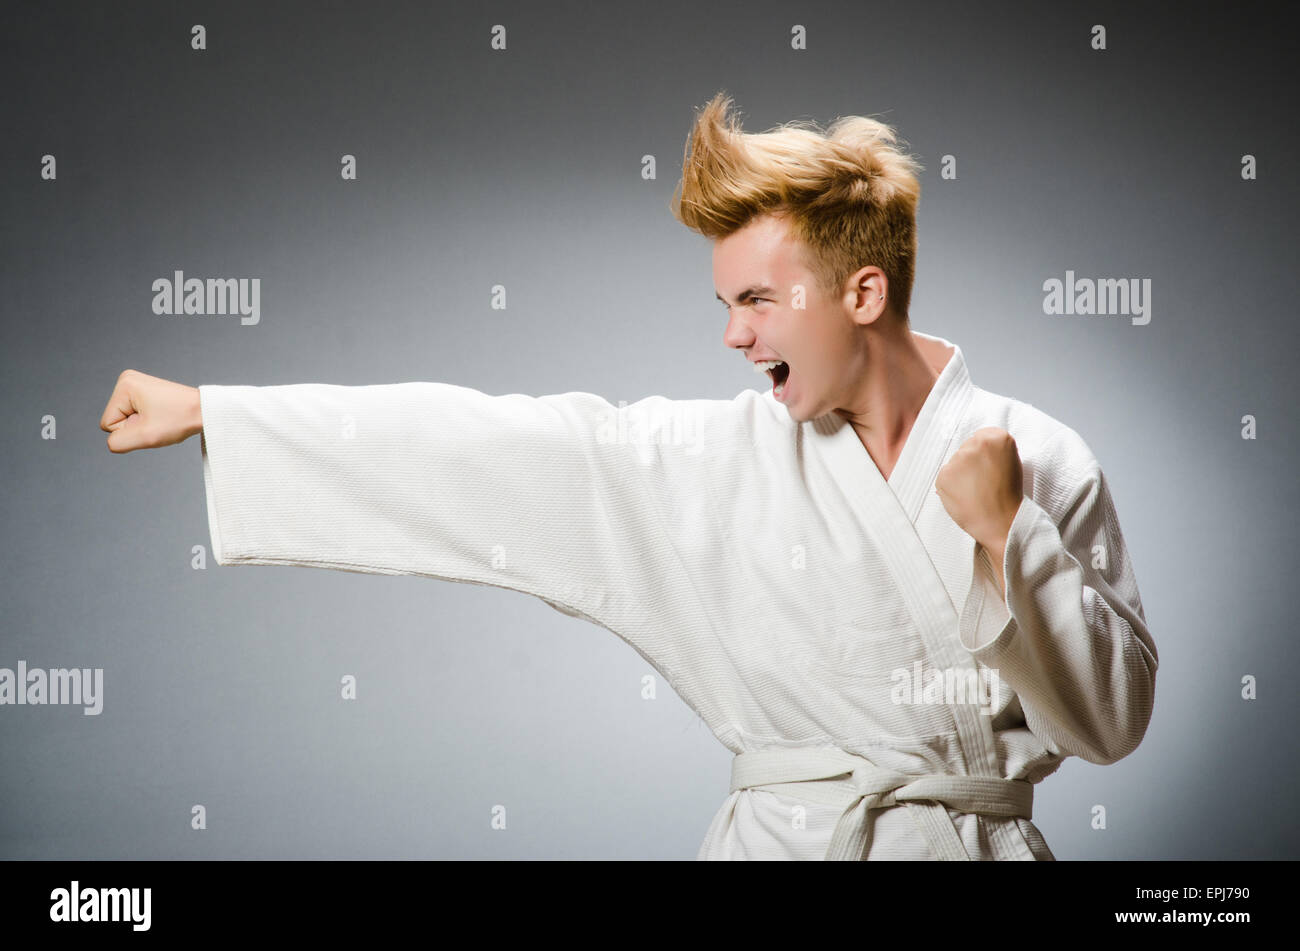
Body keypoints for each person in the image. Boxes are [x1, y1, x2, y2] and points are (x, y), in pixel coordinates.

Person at [100, 92, 1157, 860]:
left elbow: (1107, 728)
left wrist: (1008, 536)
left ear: (863, 294)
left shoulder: (1038, 461)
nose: (734, 339)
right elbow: (484, 445)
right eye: (723, 307)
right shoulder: (711, 466)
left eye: (756, 302)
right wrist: (222, 415)